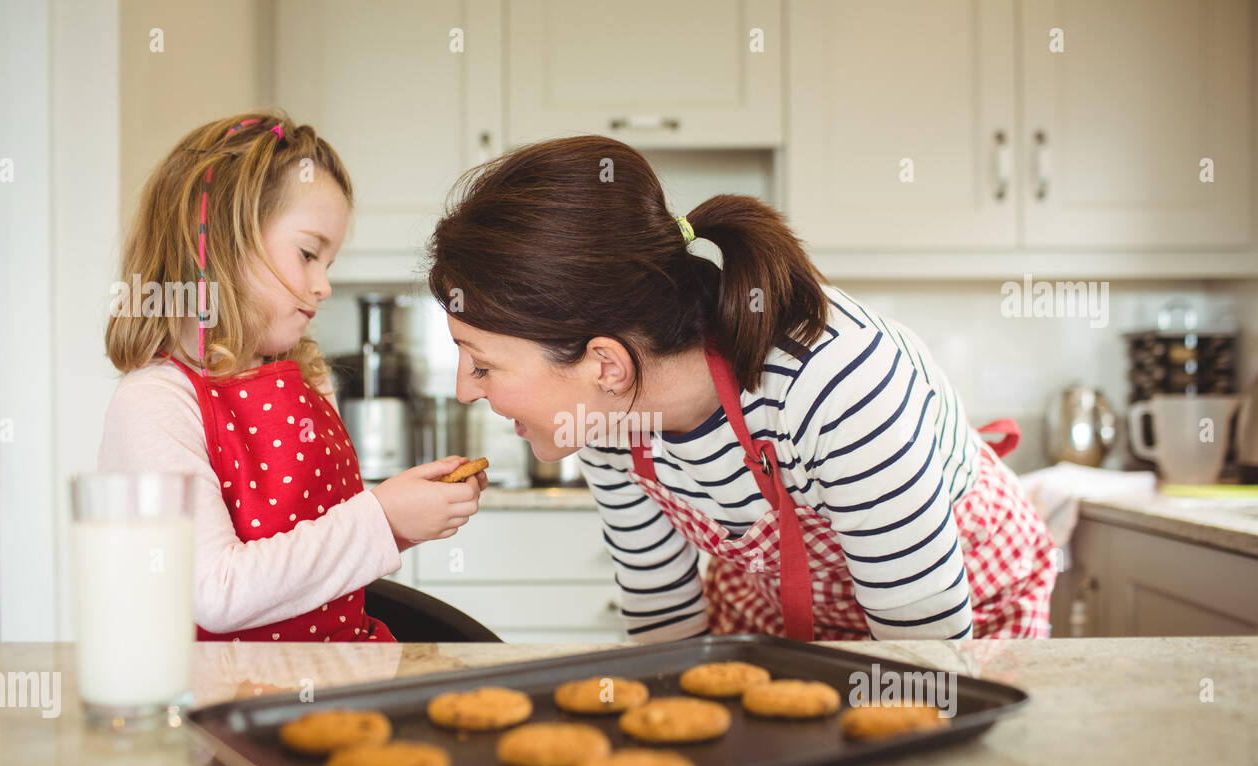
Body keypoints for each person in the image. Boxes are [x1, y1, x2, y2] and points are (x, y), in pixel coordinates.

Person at [426, 135, 1057, 642]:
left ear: (605, 365)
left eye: (481, 364)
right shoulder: (600, 419)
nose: (464, 391)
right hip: (776, 615)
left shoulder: (840, 380)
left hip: (959, 616)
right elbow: (662, 621)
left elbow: (925, 659)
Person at [99, 112, 483, 641]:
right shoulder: (156, 404)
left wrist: (403, 518)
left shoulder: (304, 379)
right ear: (209, 238)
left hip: (335, 677)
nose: (323, 285)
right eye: (308, 253)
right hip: (227, 704)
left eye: (329, 260)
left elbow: (316, 549)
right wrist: (383, 519)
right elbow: (217, 592)